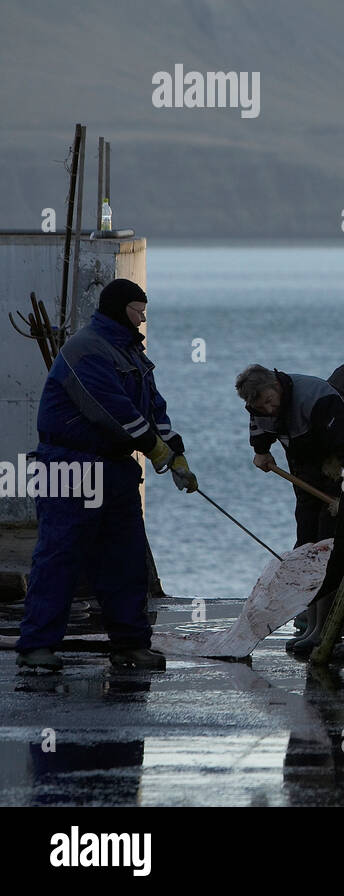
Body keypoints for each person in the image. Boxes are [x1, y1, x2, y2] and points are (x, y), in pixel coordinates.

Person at [16, 279, 196, 672]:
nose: (143, 316)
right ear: (118, 308)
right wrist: (155, 449)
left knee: (125, 558)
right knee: (59, 556)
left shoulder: (130, 351)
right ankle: (36, 646)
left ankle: (130, 644)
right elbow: (110, 410)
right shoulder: (87, 350)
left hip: (114, 468)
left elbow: (152, 408)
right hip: (69, 466)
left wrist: (175, 452)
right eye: (137, 308)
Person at [234, 361, 344, 654]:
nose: (268, 409)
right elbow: (261, 434)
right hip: (305, 477)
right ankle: (311, 619)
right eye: (261, 406)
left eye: (270, 401)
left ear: (277, 386)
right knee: (307, 547)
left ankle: (327, 629)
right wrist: (261, 452)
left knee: (330, 551)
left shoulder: (317, 398)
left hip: (338, 473)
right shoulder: (259, 407)